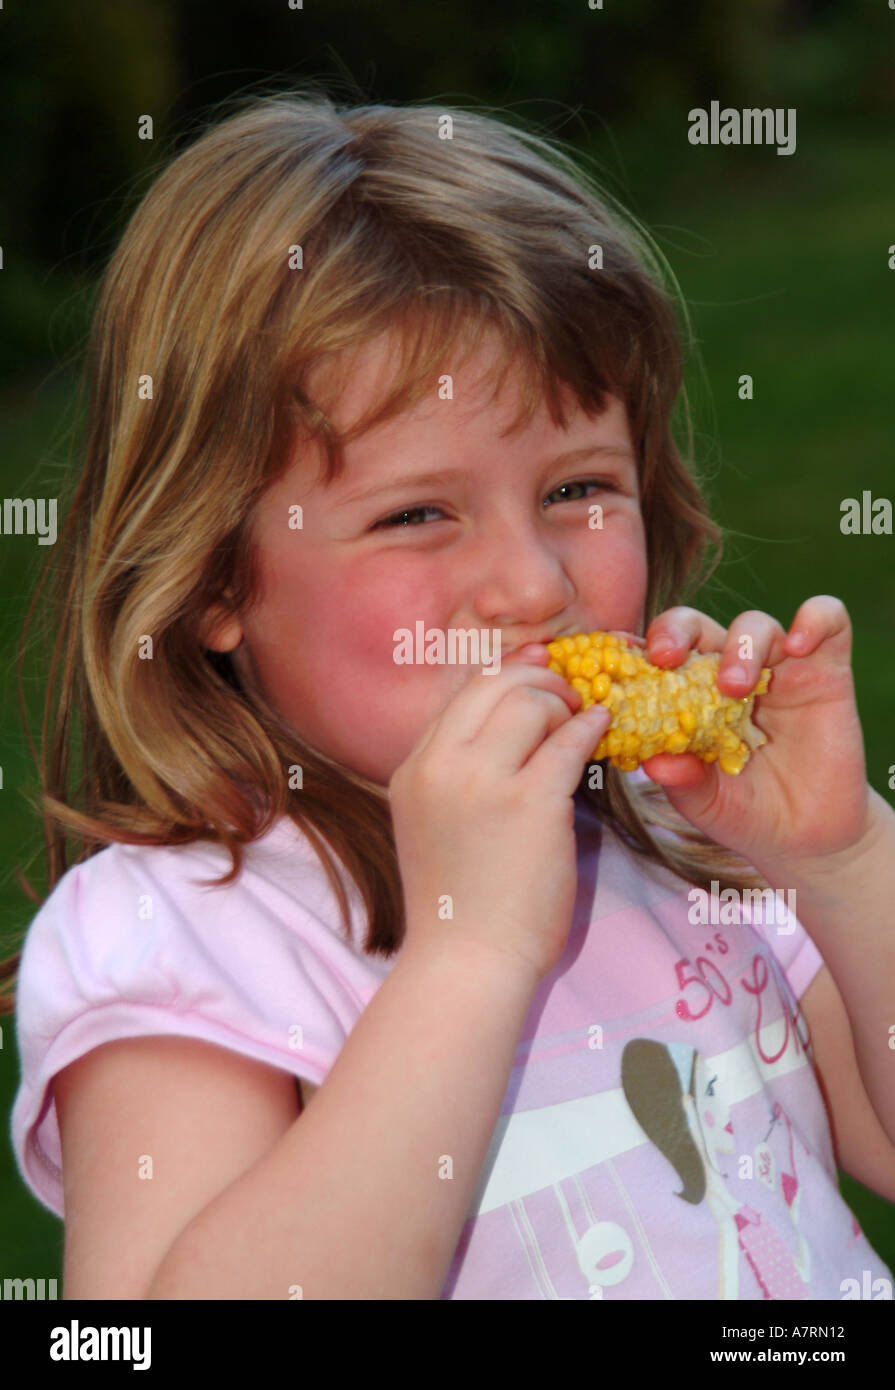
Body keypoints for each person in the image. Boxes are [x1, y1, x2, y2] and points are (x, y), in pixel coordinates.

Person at [6, 89, 895, 1301]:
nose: (533, 584)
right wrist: (470, 956)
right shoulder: (186, 940)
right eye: (419, 513)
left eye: (579, 488)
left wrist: (843, 860)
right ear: (213, 575)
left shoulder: (686, 844)